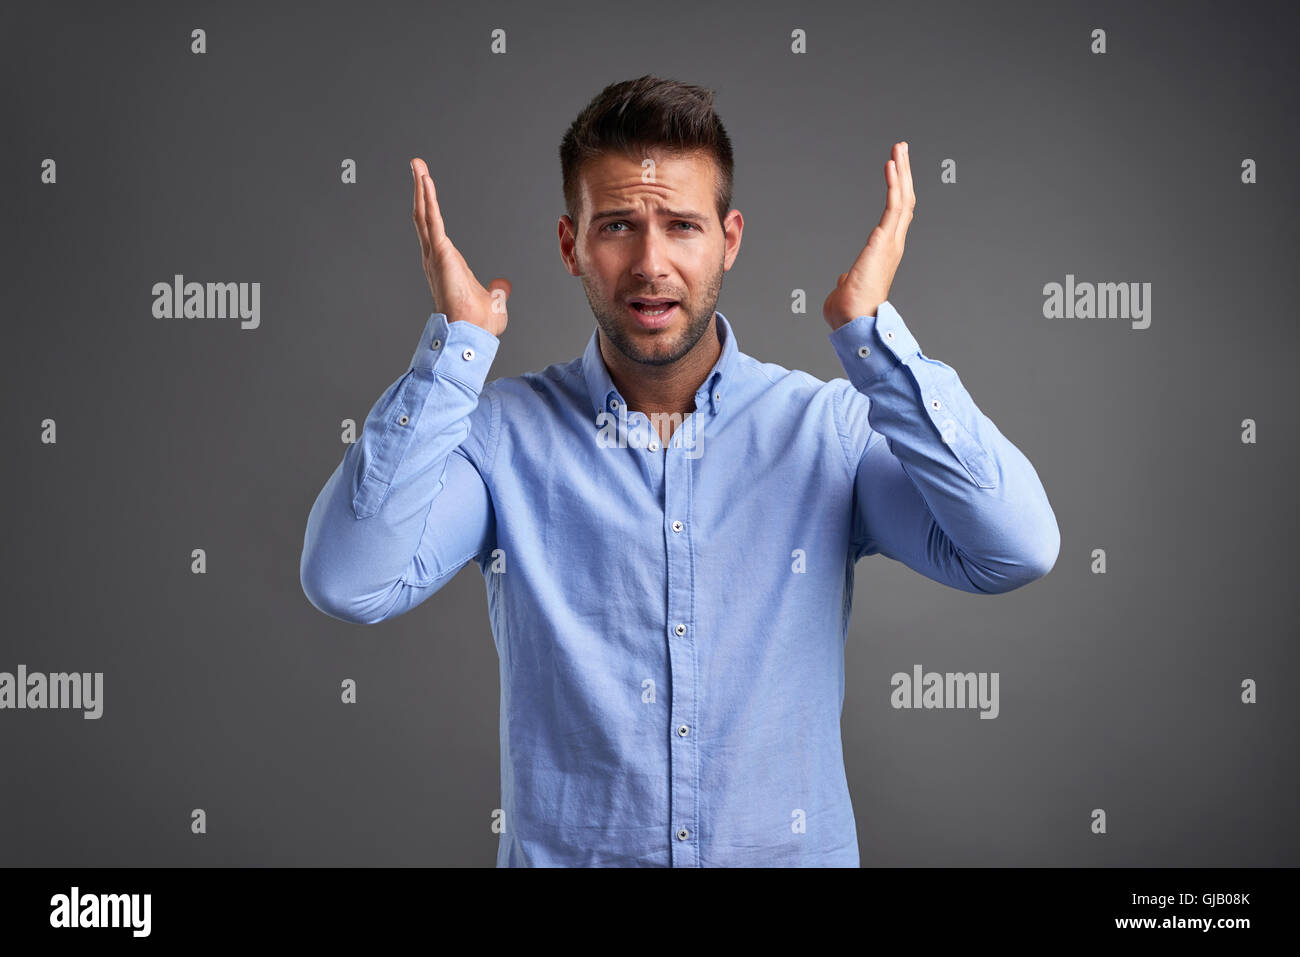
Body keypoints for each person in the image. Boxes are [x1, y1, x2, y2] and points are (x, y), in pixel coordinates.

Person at [300, 75, 1059, 867]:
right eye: (619, 225)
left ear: (729, 239)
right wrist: (456, 351)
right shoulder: (500, 436)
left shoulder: (825, 430)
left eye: (683, 226)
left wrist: (873, 341)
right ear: (571, 246)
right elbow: (349, 580)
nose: (650, 262)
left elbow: (1015, 547)